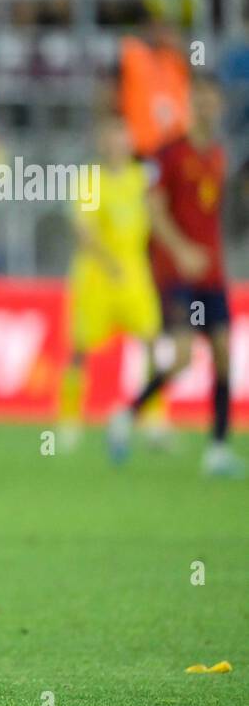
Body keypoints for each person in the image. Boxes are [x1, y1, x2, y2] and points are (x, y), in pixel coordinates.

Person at [109, 77, 243, 478]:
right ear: (190, 105)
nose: (205, 109)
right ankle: (127, 414)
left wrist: (215, 260)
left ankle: (217, 450)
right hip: (176, 274)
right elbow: (154, 208)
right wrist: (181, 251)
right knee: (183, 356)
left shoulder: (219, 156)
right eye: (198, 101)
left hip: (211, 274)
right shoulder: (169, 154)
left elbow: (212, 216)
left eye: (211, 102)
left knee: (222, 357)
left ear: (218, 107)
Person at [57, 115, 161, 451]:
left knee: (150, 343)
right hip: (96, 274)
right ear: (101, 143)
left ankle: (153, 418)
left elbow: (157, 220)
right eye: (109, 137)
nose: (116, 144)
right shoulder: (89, 179)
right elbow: (82, 228)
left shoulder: (142, 179)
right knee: (80, 349)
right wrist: (106, 261)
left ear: (130, 143)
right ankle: (69, 422)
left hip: (134, 272)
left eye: (121, 137)